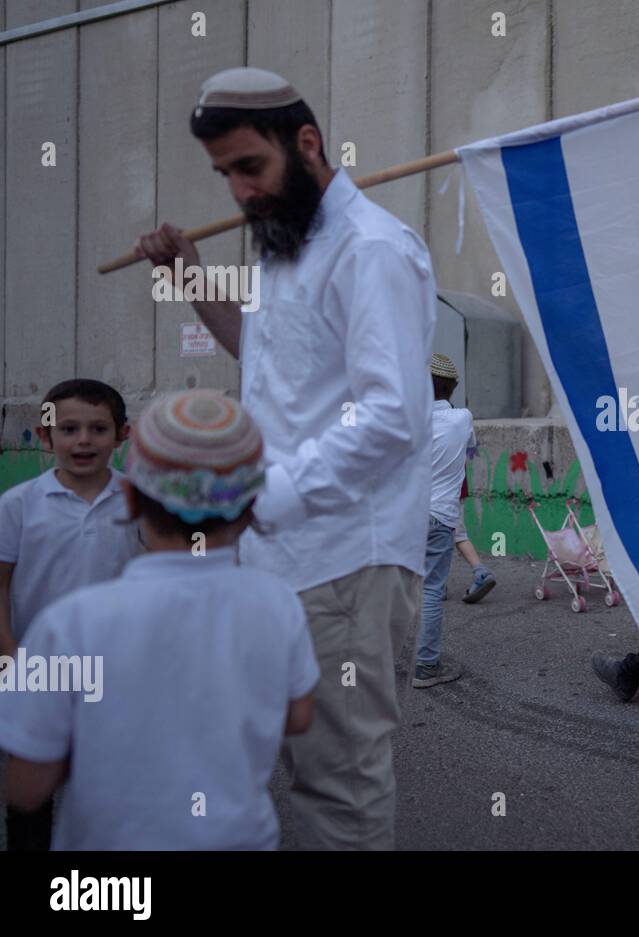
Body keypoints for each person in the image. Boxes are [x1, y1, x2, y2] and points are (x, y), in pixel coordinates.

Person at [133, 67, 435, 848]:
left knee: (339, 789)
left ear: (305, 144)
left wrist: (260, 496)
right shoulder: (286, 249)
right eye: (225, 174)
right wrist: (190, 281)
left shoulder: (372, 250)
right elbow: (269, 367)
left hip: (344, 565)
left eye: (250, 167)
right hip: (280, 561)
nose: (238, 193)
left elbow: (392, 418)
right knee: (279, 768)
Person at [0, 391, 319, 849]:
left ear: (129, 498)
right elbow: (299, 715)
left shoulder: (69, 624)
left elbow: (27, 787)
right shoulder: (278, 604)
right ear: (251, 507)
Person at [0, 379, 143, 850]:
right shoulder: (17, 506)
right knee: (31, 794)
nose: (83, 440)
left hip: (117, 669)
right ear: (44, 437)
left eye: (98, 429)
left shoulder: (138, 502)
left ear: (122, 435)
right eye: (69, 429)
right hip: (38, 667)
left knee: (109, 787)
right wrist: (10, 655)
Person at [413, 354, 479, 687]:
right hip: (439, 514)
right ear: (452, 387)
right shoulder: (462, 418)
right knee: (430, 591)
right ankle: (426, 666)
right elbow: (470, 451)